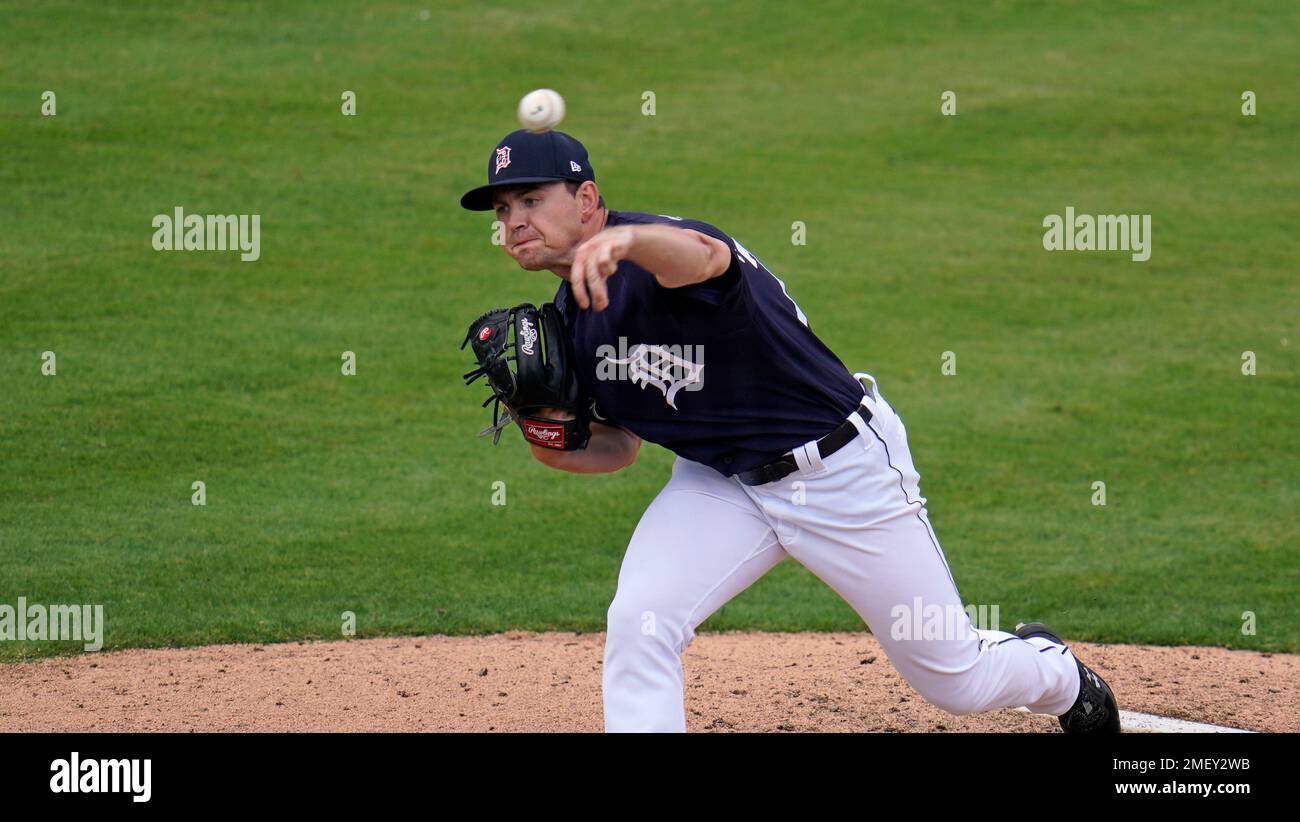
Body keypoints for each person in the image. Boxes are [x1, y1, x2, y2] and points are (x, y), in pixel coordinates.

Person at [459, 129, 1120, 733]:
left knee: (955, 677)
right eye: (503, 210)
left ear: (587, 198)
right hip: (722, 485)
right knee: (641, 622)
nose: (514, 220)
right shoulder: (572, 324)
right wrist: (543, 435)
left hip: (841, 471)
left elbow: (706, 257)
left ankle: (1057, 673)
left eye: (530, 199)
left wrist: (625, 240)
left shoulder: (659, 249)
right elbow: (619, 449)